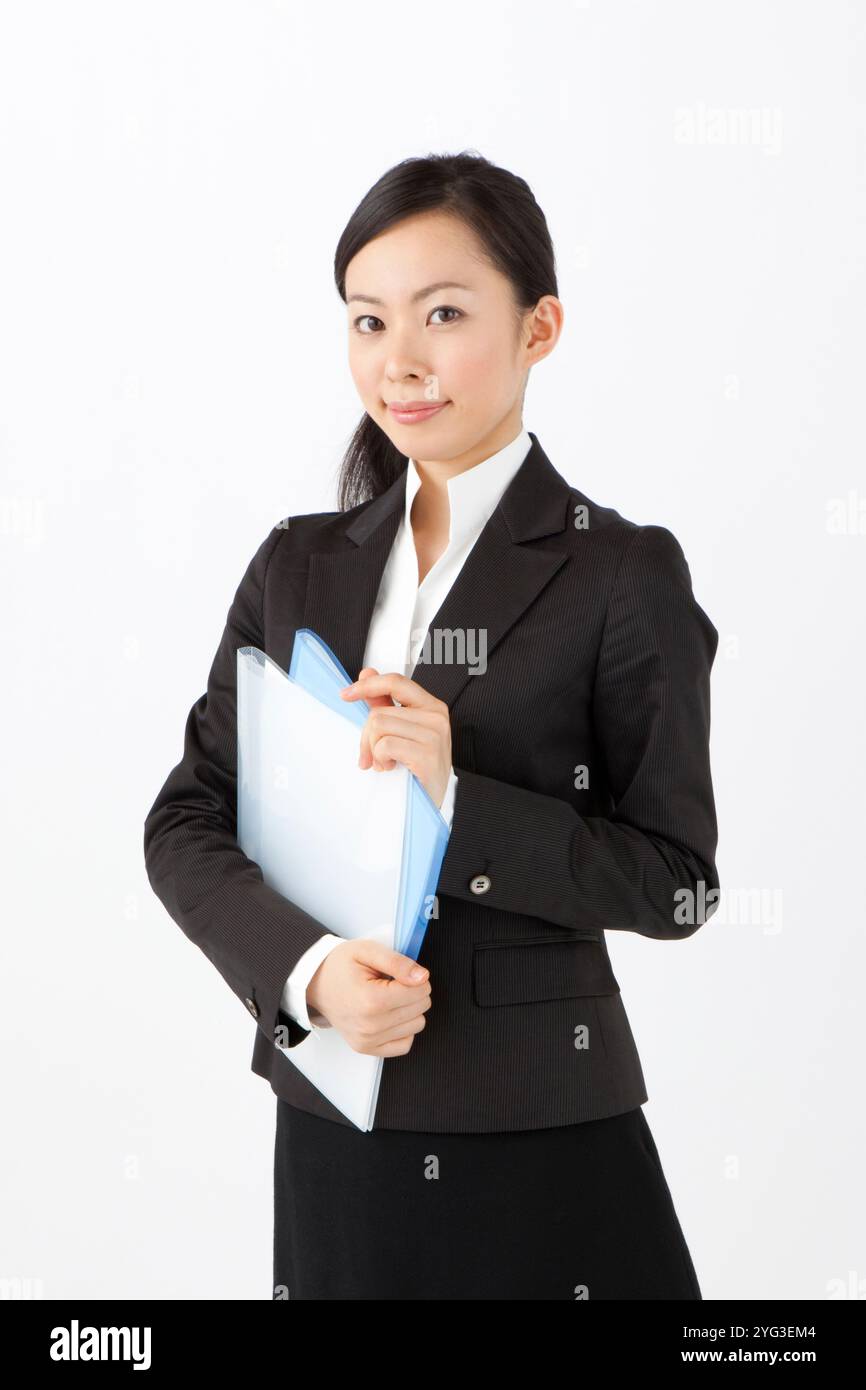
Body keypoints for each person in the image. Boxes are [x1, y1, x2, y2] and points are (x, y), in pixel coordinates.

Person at [143, 150, 720, 1300]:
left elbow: (676, 884)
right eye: (367, 322)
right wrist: (305, 973)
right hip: (334, 1122)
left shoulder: (618, 573)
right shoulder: (296, 563)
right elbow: (184, 822)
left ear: (538, 326)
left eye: (443, 314)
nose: (398, 362)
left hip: (540, 1137)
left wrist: (459, 803)